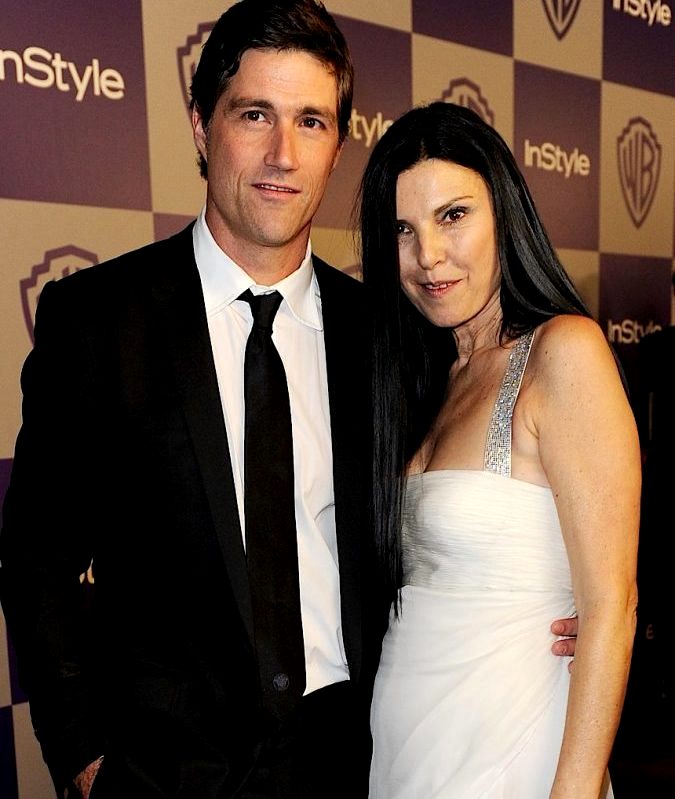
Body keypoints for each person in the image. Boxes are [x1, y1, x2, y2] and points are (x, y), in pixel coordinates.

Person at [0, 2, 385, 797]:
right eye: (255, 114)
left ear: (337, 147)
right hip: (160, 770)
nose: (283, 153)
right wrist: (84, 753)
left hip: (355, 762)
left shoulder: (382, 337)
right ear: (202, 128)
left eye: (310, 122)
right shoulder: (96, 322)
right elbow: (38, 560)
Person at [359, 102, 640, 798]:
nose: (427, 255)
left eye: (452, 215)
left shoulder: (564, 351)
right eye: (402, 228)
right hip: (407, 748)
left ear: (503, 212)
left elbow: (610, 604)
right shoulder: (419, 379)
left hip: (514, 748)